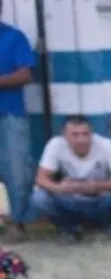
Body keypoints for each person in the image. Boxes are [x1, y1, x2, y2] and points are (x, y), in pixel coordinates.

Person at [30, 116, 111, 240]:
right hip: (70, 199)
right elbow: (41, 179)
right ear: (65, 135)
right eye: (75, 135)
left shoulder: (105, 144)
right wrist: (60, 188)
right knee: (39, 197)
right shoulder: (56, 144)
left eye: (85, 134)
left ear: (92, 133)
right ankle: (69, 230)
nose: (81, 140)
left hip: (102, 199)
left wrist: (96, 186)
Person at [0, 3, 36, 243]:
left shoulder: (14, 37)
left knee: (17, 170)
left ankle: (18, 222)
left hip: (10, 113)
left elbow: (26, 74)